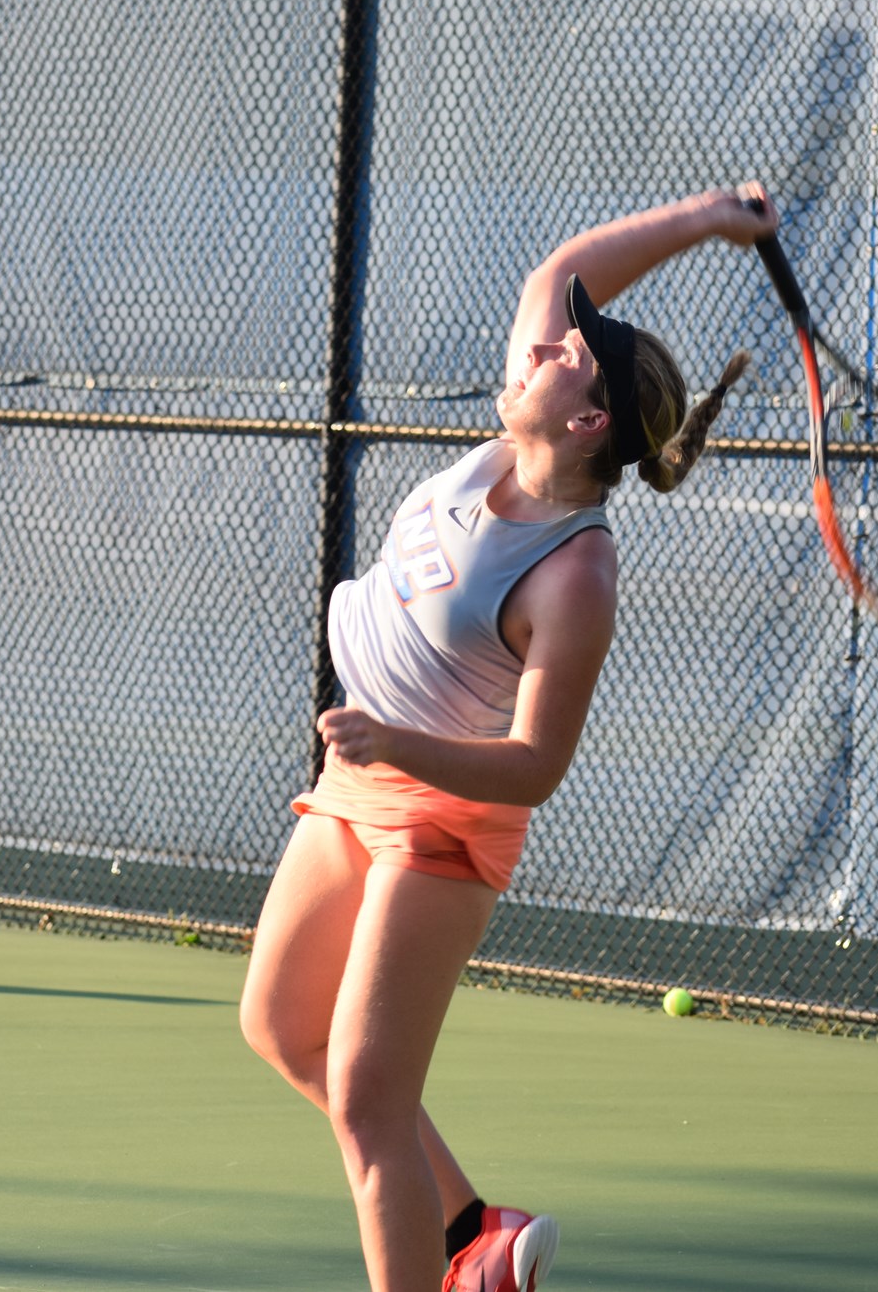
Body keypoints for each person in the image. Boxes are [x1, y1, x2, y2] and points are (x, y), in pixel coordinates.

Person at [238, 184, 778, 1292]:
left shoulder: (575, 576)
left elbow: (535, 767)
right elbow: (558, 272)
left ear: (586, 423)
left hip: (445, 819)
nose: (540, 346)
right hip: (364, 776)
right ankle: (479, 1233)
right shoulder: (509, 446)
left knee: (368, 1101)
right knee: (281, 1028)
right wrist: (710, 217)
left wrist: (395, 743)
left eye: (566, 356)